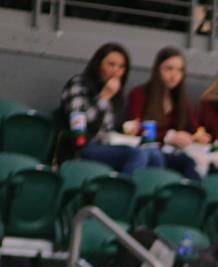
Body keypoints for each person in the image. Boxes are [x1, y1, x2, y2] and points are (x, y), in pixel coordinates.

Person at [60, 42, 165, 176]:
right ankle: (122, 194)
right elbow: (81, 122)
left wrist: (128, 129)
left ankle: (147, 195)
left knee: (155, 154)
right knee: (136, 154)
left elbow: (113, 128)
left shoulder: (117, 95)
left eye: (121, 67)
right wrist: (104, 97)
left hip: (108, 145)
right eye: (111, 64)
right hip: (82, 146)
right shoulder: (79, 83)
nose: (116, 71)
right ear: (98, 65)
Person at [123, 46, 200, 177]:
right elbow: (134, 128)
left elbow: (195, 129)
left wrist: (198, 135)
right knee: (180, 162)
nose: (174, 75)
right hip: (146, 150)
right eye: (169, 69)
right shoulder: (140, 94)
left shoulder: (181, 100)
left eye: (179, 70)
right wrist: (169, 136)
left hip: (172, 151)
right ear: (158, 69)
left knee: (194, 163)